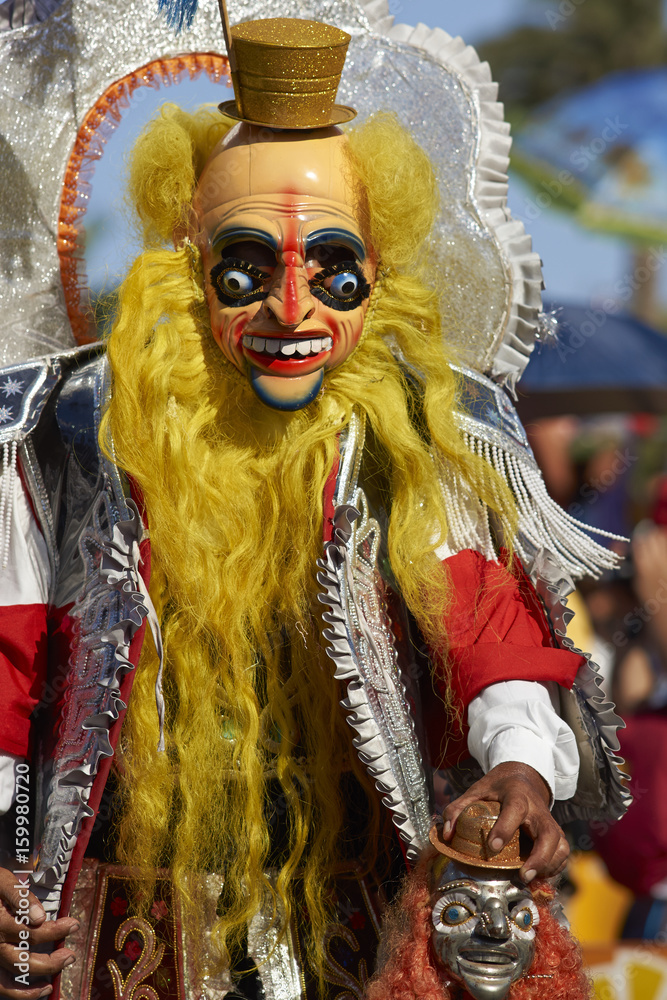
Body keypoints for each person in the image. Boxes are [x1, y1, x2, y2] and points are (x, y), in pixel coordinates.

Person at [0, 12, 624, 1000]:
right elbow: (10, 662)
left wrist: (520, 765)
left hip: (354, 933)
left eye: (332, 272)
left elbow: (487, 627)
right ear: (186, 263)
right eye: (246, 269)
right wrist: (6, 846)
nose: (292, 312)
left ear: (379, 276)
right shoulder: (68, 433)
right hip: (123, 938)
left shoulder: (417, 433)